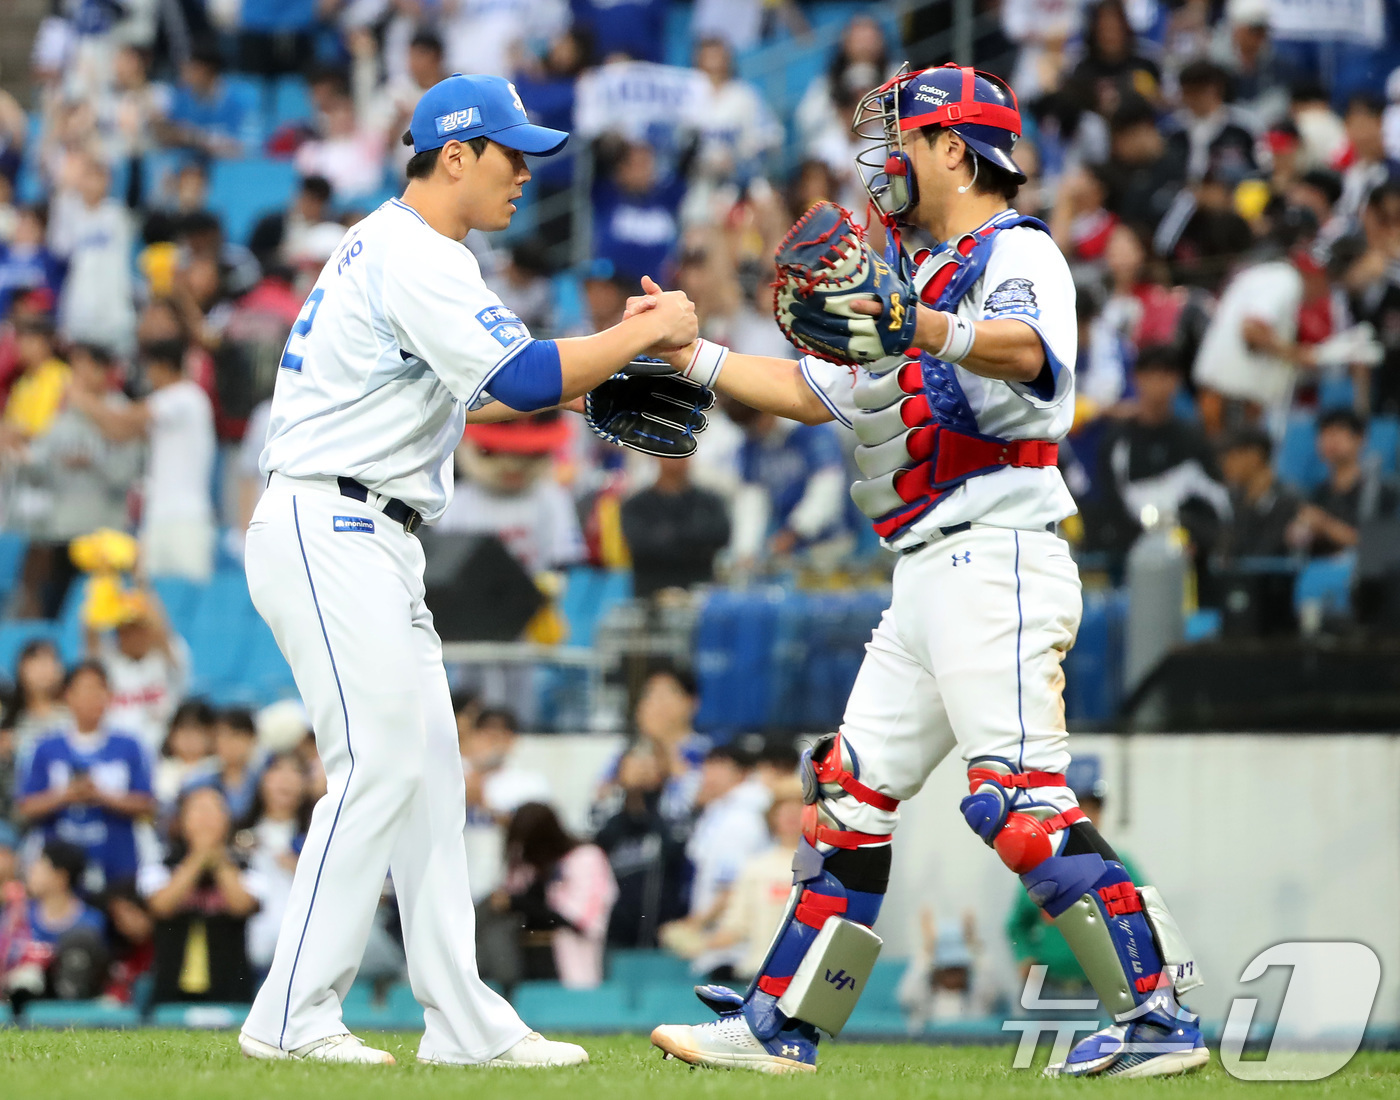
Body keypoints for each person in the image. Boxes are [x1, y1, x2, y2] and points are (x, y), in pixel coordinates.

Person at [643, 63, 1207, 1077]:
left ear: (956, 148)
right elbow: (814, 388)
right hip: (923, 572)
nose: (886, 155)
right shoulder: (916, 268)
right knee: (847, 798)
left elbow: (1026, 352)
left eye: (904, 134)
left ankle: (1157, 1008)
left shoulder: (1015, 249)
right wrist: (691, 357)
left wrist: (920, 323)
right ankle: (783, 1023)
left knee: (1018, 797)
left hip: (999, 555)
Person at [238, 72, 695, 1067]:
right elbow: (518, 375)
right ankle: (291, 1012)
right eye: (510, 153)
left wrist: (588, 387)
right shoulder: (416, 250)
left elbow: (476, 388)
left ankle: (461, 1020)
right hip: (331, 518)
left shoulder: (407, 248)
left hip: (371, 528)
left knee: (432, 779)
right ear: (455, 153)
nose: (525, 174)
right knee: (379, 765)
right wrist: (640, 336)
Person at [71, 338, 217, 581]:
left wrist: (81, 399)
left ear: (161, 366)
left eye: (149, 368)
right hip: (157, 517)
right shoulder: (169, 406)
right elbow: (117, 433)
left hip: (187, 520)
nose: (147, 376)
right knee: (147, 598)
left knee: (191, 597)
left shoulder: (186, 396)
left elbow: (121, 420)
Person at [1005, 759, 1145, 1001]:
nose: (1087, 816)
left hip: (1103, 987)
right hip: (1048, 986)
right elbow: (1017, 923)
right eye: (1079, 806)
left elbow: (1143, 916)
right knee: (1043, 1041)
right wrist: (1024, 957)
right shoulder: (1041, 866)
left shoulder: (1117, 865)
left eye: (1093, 807)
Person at [16, 661, 154, 894]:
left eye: (100, 689)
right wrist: (67, 795)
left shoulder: (129, 746)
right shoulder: (46, 748)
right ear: (68, 695)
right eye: (86, 689)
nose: (93, 697)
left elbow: (147, 804)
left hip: (118, 864)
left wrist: (101, 796)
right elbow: (26, 806)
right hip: (60, 869)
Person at [658, 744, 770, 979]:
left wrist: (694, 924)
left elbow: (732, 885)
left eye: (719, 767)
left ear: (742, 774)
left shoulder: (740, 818)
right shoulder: (720, 811)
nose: (708, 774)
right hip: (723, 940)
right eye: (707, 766)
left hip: (732, 947)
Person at [142, 786, 262, 1005]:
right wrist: (198, 857)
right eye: (197, 810)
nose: (205, 818)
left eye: (214, 809)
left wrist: (217, 859)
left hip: (232, 989)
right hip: (170, 989)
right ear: (180, 821)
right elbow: (161, 906)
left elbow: (242, 905)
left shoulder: (247, 866)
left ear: (228, 820)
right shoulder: (161, 864)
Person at [482, 802, 617, 992]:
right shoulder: (527, 866)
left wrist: (517, 903)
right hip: (522, 964)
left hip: (570, 966)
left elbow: (581, 921)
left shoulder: (585, 857)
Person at [704, 779, 805, 981]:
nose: (792, 816)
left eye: (799, 809)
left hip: (807, 977)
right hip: (759, 974)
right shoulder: (756, 867)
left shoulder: (825, 868)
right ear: (773, 817)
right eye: (785, 810)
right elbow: (736, 924)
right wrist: (700, 942)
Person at [0, 840, 108, 1009]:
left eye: (40, 866)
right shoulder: (16, 915)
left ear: (60, 876)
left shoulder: (91, 921)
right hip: (17, 1001)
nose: (31, 871)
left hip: (72, 1004)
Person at [86, 587, 192, 758]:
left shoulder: (165, 657)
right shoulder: (107, 662)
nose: (133, 635)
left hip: (163, 753)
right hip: (116, 755)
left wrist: (141, 581)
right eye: (126, 629)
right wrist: (102, 581)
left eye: (138, 628)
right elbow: (90, 634)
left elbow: (162, 628)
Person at [461, 707, 552, 903]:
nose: (489, 743)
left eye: (497, 736)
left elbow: (539, 837)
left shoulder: (529, 783)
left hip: (503, 894)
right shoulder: (454, 776)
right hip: (453, 889)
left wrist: (485, 805)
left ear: (511, 740)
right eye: (483, 734)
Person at [238, 753, 315, 978]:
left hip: (304, 944)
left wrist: (298, 867)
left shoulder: (320, 835)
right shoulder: (238, 834)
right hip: (251, 945)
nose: (286, 779)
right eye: (278, 770)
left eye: (296, 772)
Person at [1288, 408, 1400, 557]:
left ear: (1360, 439)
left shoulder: (1382, 492)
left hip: (1362, 576)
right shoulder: (1316, 494)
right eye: (1324, 433)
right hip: (1318, 573)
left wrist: (1326, 526)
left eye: (1338, 431)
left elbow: (1380, 546)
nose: (1330, 439)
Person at [621, 457, 731, 597]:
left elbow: (720, 536)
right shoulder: (636, 506)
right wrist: (692, 540)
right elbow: (641, 545)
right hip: (650, 597)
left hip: (699, 596)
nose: (677, 457)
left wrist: (667, 536)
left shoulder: (709, 503)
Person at [1216, 427, 1303, 559]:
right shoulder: (1232, 500)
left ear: (1254, 456)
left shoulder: (1288, 499)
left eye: (1232, 456)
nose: (1225, 464)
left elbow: (1266, 552)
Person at [2, 638, 68, 755]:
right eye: (35, 660)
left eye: (49, 660)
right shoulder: (7, 720)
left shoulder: (73, 716)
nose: (42, 668)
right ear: (20, 669)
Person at [153, 700, 216, 815]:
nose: (189, 739)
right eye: (183, 730)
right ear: (171, 734)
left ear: (211, 735)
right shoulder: (160, 769)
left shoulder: (217, 767)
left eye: (197, 731)